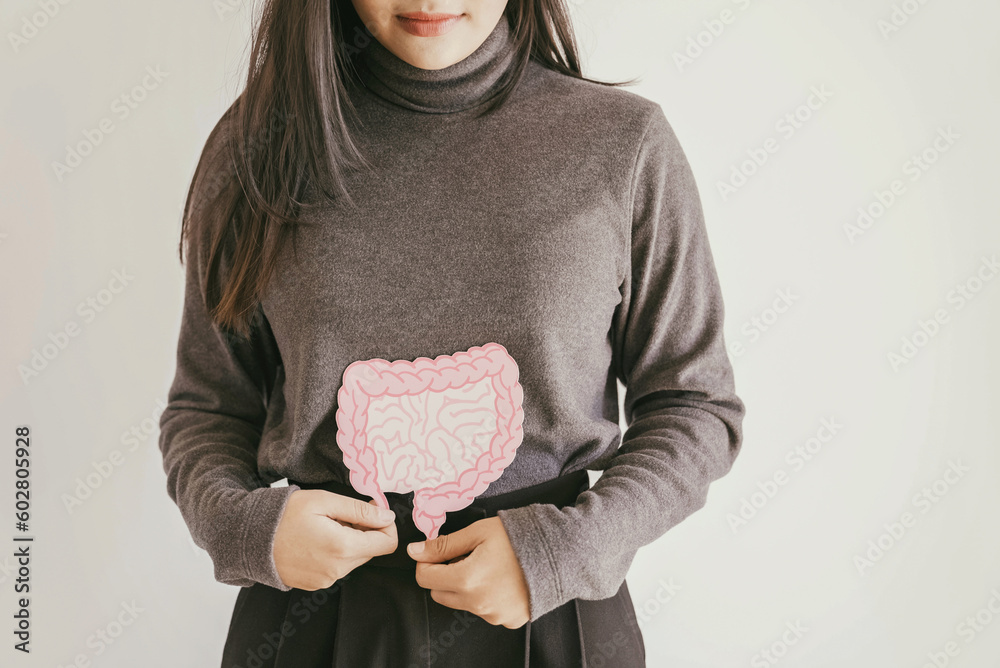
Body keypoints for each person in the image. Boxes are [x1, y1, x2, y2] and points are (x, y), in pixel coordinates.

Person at [157, 0, 746, 666]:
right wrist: (243, 528)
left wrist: (571, 549)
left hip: (553, 618)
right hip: (315, 623)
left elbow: (695, 406)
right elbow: (208, 410)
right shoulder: (256, 148)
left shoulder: (625, 144)